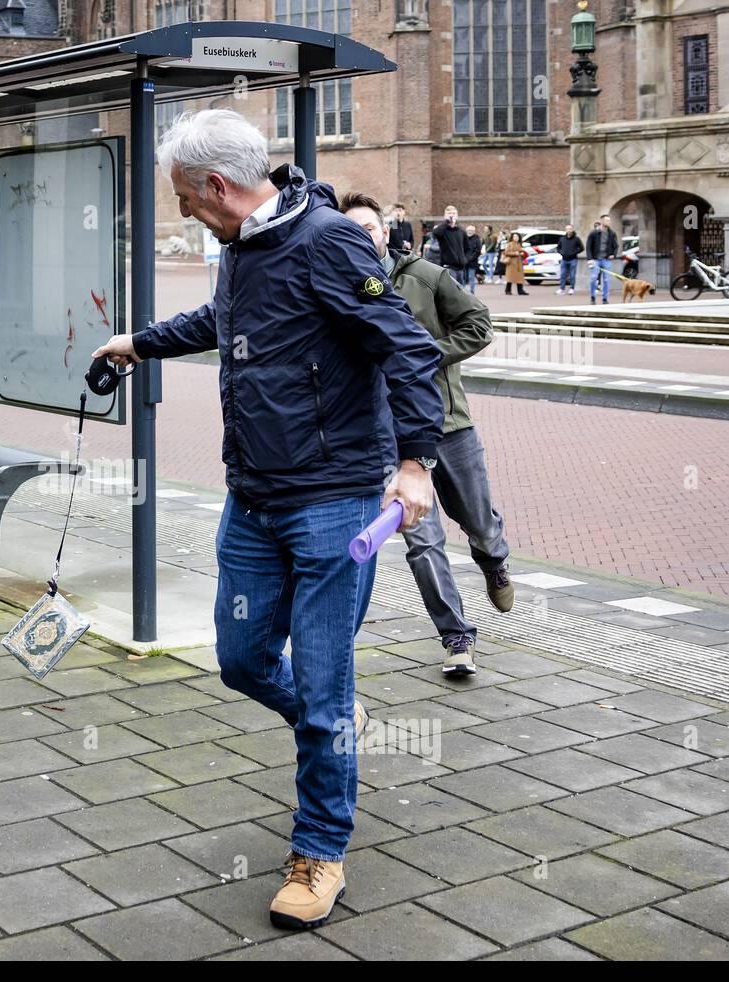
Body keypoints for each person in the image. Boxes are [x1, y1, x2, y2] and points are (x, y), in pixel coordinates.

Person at [91, 109, 442, 930]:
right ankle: (335, 722)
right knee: (242, 659)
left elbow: (409, 349)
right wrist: (141, 343)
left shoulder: (326, 240)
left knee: (322, 690)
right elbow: (227, 324)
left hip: (334, 504)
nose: (181, 211)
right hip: (252, 498)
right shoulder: (242, 249)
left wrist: (415, 462)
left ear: (217, 186)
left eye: (184, 196)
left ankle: (320, 850)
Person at [342, 192, 515, 676]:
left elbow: (479, 325)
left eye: (368, 228)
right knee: (421, 540)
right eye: (350, 229)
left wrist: (426, 354)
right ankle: (456, 637)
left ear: (384, 232)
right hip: (388, 436)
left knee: (477, 519)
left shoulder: (426, 276)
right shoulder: (339, 284)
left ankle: (493, 556)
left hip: (447, 423)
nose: (361, 236)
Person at [431, 205, 469, 287]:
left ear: (457, 215)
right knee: (452, 291)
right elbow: (435, 233)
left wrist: (465, 259)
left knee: (462, 293)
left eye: (454, 213)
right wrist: (447, 222)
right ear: (445, 216)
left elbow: (468, 248)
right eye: (449, 213)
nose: (452, 215)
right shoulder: (443, 231)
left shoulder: (461, 231)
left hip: (461, 268)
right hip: (449, 267)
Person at [586, 213, 619, 304]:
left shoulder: (612, 233)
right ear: (601, 221)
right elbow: (588, 246)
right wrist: (590, 259)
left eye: (609, 220)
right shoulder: (594, 233)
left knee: (606, 280)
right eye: (607, 220)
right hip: (595, 259)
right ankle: (592, 297)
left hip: (606, 260)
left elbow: (616, 246)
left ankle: (605, 298)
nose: (609, 222)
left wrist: (614, 254)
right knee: (593, 278)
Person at [556, 223, 582, 295]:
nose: (569, 230)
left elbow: (581, 248)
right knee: (562, 274)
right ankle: (562, 288)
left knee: (572, 275)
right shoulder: (562, 239)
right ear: (565, 230)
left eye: (570, 229)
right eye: (567, 229)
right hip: (564, 259)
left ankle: (572, 288)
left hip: (573, 259)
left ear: (572, 229)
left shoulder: (576, 239)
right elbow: (558, 247)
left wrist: (574, 252)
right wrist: (561, 252)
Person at [463, 224, 482, 295]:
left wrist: (470, 258)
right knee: (463, 278)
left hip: (472, 262)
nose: (469, 232)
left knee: (471, 278)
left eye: (471, 230)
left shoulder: (477, 239)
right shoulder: (463, 238)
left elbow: (478, 251)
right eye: (468, 230)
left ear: (474, 231)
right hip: (464, 261)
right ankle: (463, 293)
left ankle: (472, 293)